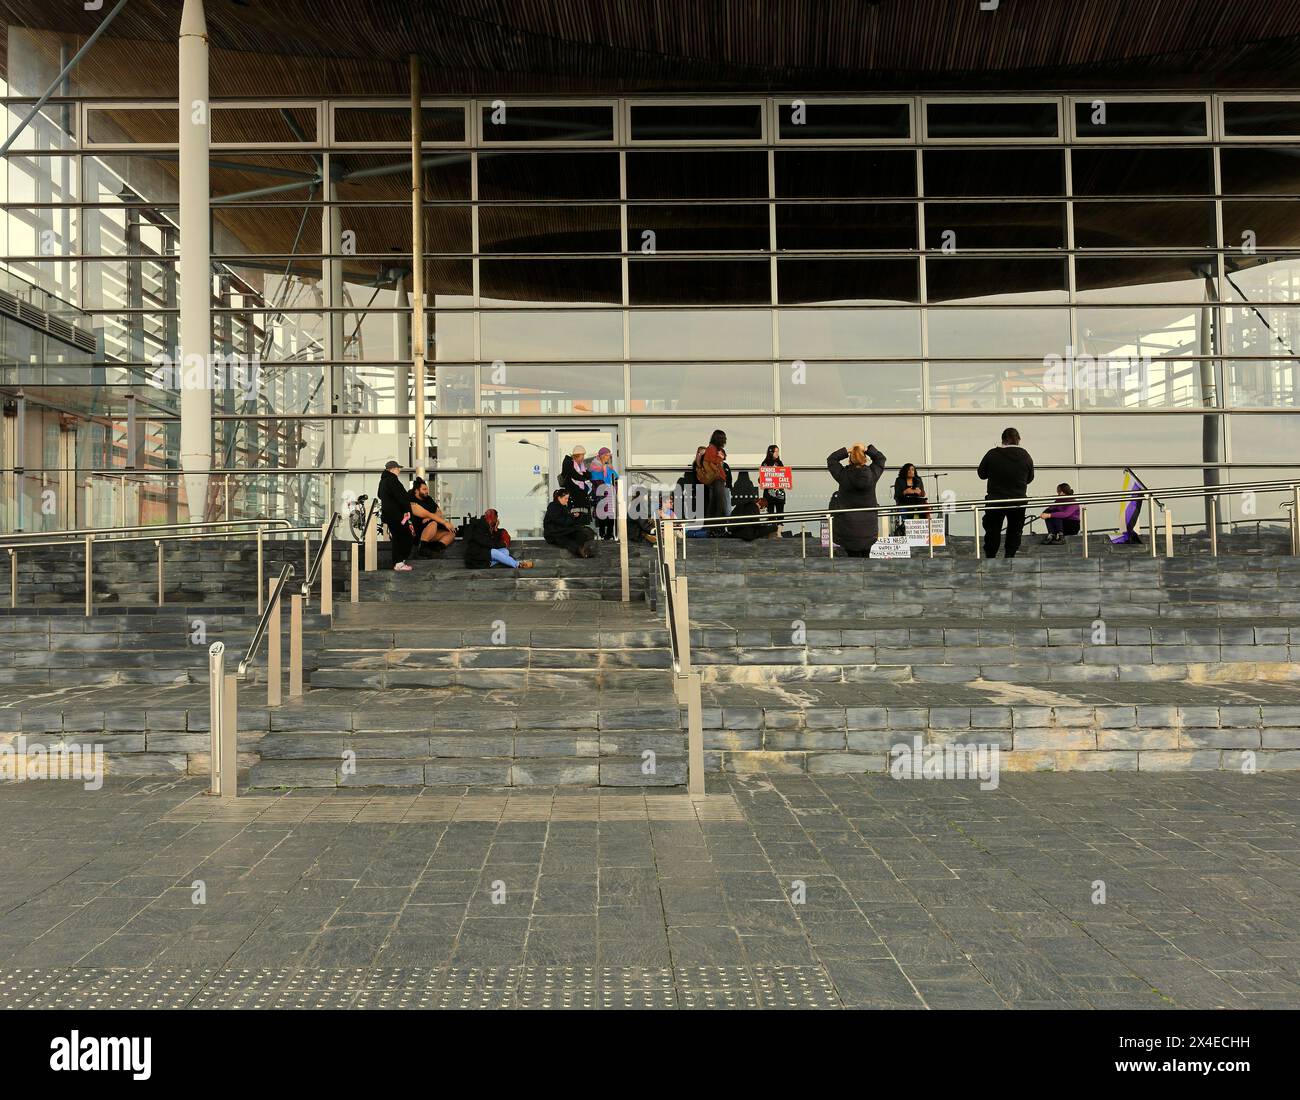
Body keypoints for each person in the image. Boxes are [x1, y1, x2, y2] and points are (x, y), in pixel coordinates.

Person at [977, 426, 1035, 559]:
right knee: (1015, 529)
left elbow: (981, 474)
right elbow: (1030, 478)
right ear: (1018, 440)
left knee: (993, 529)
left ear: (1003, 440)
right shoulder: (1026, 456)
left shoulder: (992, 454)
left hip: (996, 499)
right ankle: (1010, 555)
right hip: (1018, 499)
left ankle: (991, 555)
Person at [826, 443, 887, 556]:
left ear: (850, 460)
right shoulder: (872, 474)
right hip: (868, 527)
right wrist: (868, 449)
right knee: (866, 558)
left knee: (852, 560)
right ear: (865, 459)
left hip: (847, 527)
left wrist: (848, 451)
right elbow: (880, 459)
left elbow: (832, 459)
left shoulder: (843, 474)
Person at [464, 509, 534, 569]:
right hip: (474, 559)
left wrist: (495, 530)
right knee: (494, 552)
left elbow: (493, 543)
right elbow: (487, 543)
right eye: (495, 518)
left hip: (484, 558)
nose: (496, 520)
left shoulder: (490, 528)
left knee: (505, 551)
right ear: (491, 518)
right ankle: (518, 564)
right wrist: (494, 534)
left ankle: (495, 563)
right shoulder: (478, 527)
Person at [377, 459, 415, 572]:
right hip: (397, 515)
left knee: (398, 537)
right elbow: (401, 497)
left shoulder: (383, 481)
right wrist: (407, 509)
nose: (399, 470)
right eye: (398, 468)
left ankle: (399, 562)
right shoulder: (393, 480)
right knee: (405, 537)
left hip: (389, 515)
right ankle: (399, 562)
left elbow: (379, 495)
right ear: (392, 469)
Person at [408, 476, 456, 557]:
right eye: (424, 489)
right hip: (415, 532)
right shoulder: (411, 499)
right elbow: (425, 514)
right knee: (433, 523)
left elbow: (439, 512)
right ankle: (422, 548)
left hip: (431, 531)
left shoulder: (428, 498)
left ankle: (435, 550)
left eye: (427, 489)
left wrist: (430, 518)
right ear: (416, 490)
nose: (427, 491)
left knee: (451, 533)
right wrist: (440, 521)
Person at [543, 488, 598, 558]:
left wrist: (574, 516)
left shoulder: (562, 507)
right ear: (559, 498)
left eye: (567, 498)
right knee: (568, 541)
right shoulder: (553, 507)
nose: (567, 500)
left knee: (581, 533)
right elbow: (560, 521)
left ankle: (583, 550)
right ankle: (581, 551)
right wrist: (572, 517)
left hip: (561, 530)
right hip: (554, 533)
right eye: (565, 498)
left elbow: (566, 520)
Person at [695, 429, 728, 535]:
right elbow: (711, 460)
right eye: (723, 438)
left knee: (716, 503)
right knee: (718, 504)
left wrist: (722, 456)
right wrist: (720, 457)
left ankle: (714, 527)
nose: (725, 440)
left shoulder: (714, 448)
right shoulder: (711, 448)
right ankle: (716, 528)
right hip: (716, 479)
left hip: (717, 480)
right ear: (719, 438)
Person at [589, 446, 619, 540]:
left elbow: (616, 477)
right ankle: (602, 533)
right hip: (601, 493)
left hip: (609, 493)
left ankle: (609, 533)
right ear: (601, 455)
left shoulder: (608, 467)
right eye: (607, 455)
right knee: (601, 513)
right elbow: (594, 480)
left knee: (611, 514)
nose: (608, 457)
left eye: (609, 456)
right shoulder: (595, 466)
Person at [892, 462, 928, 536]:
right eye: (908, 470)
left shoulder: (918, 479)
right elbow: (897, 495)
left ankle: (924, 531)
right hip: (904, 502)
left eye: (912, 470)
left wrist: (919, 492)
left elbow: (923, 493)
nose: (911, 471)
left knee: (925, 508)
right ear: (905, 471)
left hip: (917, 501)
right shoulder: (899, 480)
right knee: (909, 510)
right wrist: (904, 492)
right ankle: (908, 531)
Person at [559, 446, 594, 519]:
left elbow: (588, 475)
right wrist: (584, 479)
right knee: (575, 519)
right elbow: (574, 475)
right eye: (582, 456)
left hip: (581, 495)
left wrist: (585, 474)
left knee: (582, 518)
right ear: (577, 455)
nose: (583, 458)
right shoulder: (568, 463)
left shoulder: (581, 465)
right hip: (573, 495)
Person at [760, 444, 786, 527]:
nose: (777, 453)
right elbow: (762, 478)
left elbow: (784, 475)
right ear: (771, 452)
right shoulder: (765, 463)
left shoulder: (780, 462)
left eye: (778, 451)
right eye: (776, 451)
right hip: (769, 491)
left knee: (780, 513)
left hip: (779, 491)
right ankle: (771, 531)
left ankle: (779, 532)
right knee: (770, 512)